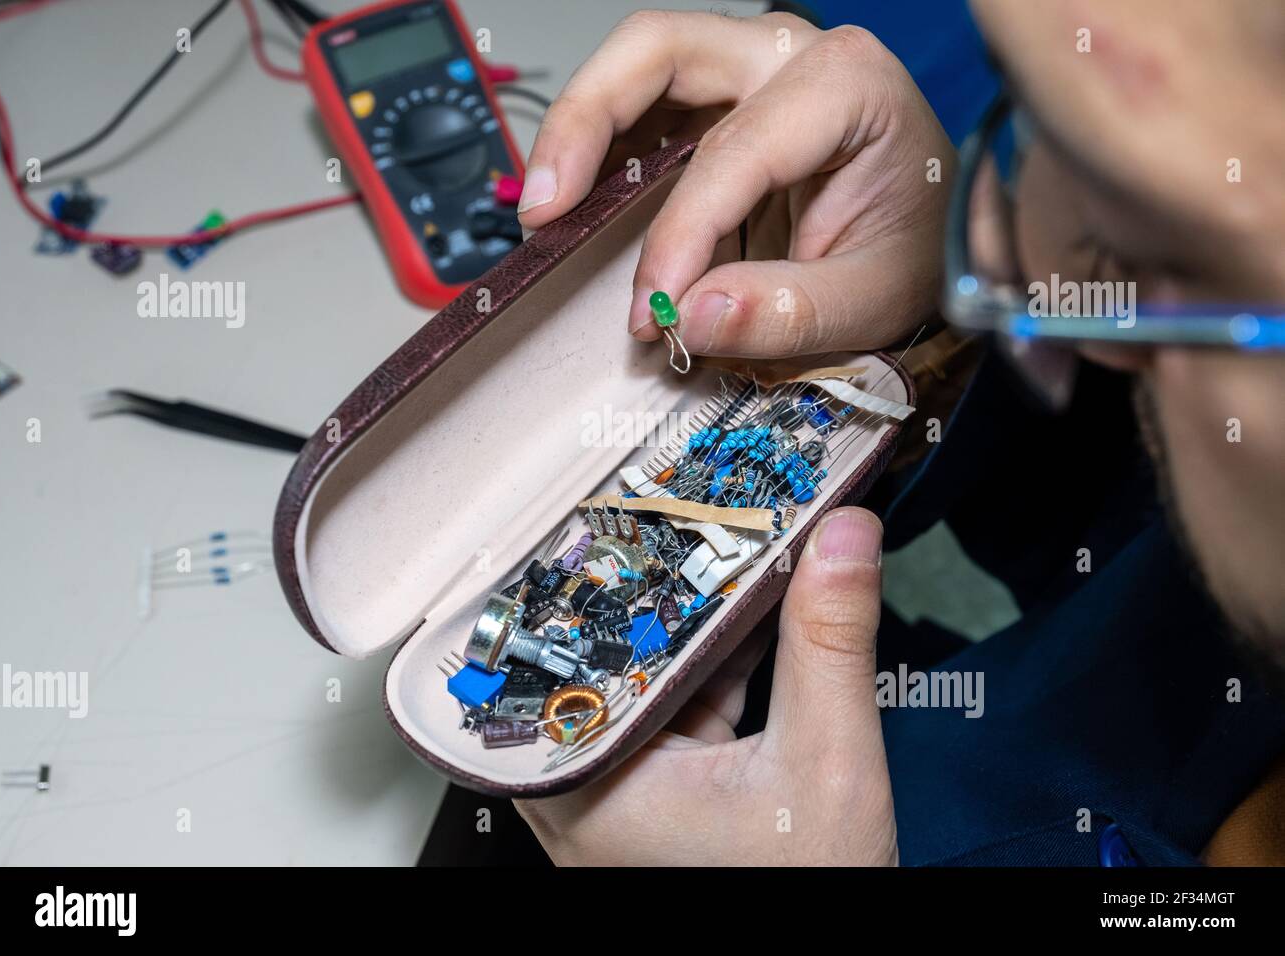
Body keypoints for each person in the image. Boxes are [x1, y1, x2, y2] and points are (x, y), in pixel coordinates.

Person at [495, 1, 1285, 866]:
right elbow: (1133, 524)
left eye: (1141, 234)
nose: (1024, 269)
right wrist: (934, 342)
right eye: (1026, 109)